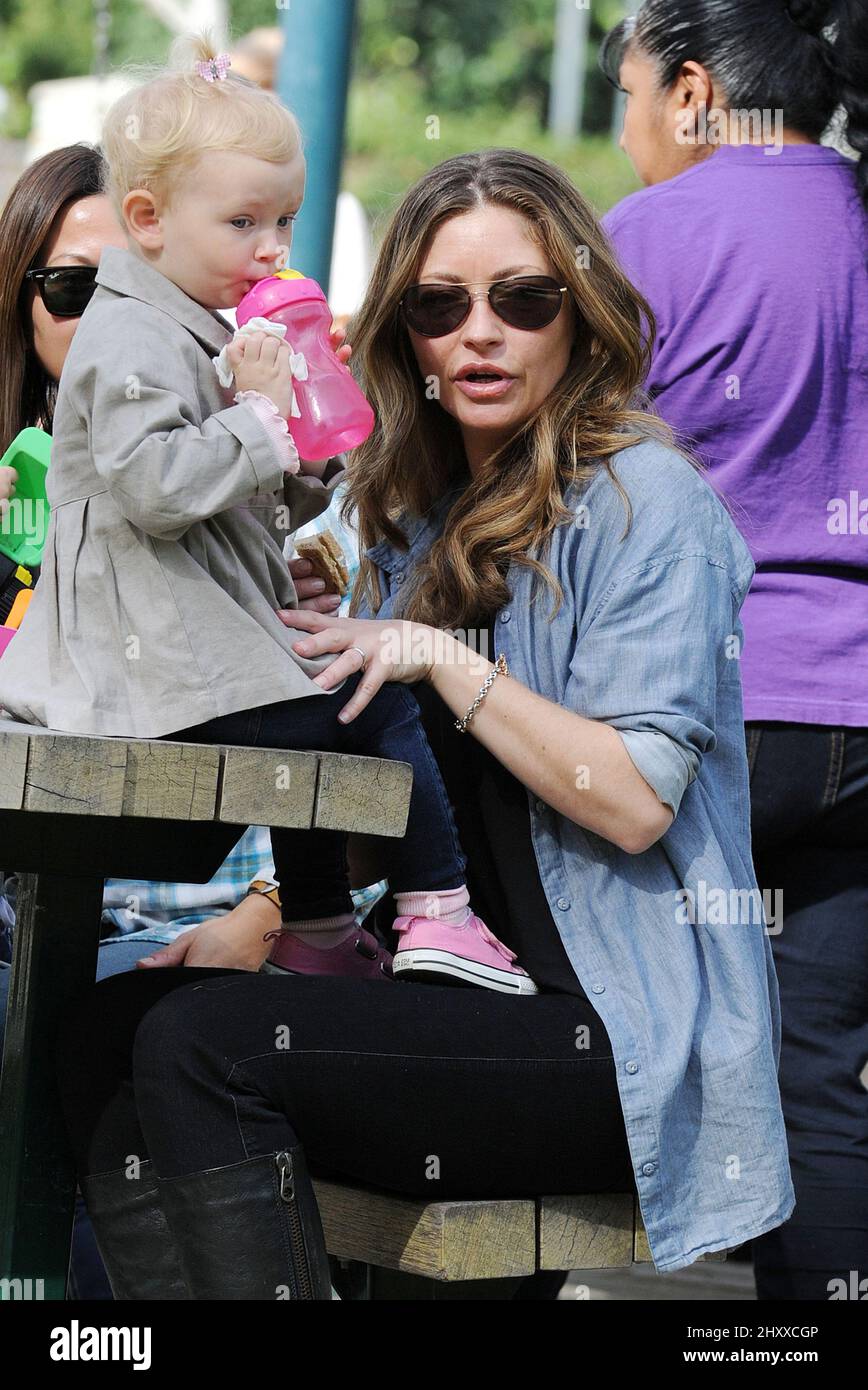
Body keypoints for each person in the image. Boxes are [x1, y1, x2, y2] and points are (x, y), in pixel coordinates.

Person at [52, 142, 794, 1299]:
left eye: (524, 299)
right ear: (403, 334)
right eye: (440, 306)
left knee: (201, 1051)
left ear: (581, 315)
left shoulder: (650, 504)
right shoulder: (412, 513)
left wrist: (439, 658)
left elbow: (640, 804)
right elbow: (393, 799)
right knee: (108, 1028)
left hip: (610, 1034)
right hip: (446, 995)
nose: (479, 333)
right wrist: (262, 913)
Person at [0, 36, 538, 995]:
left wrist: (305, 430)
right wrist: (256, 417)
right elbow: (152, 486)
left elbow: (239, 498)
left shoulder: (194, 324)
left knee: (328, 709)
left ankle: (321, 926)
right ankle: (438, 909)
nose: (272, 249)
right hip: (145, 671)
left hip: (187, 651)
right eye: (244, 221)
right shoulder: (127, 330)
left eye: (284, 220)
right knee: (374, 699)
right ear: (148, 220)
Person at [0, 140, 369, 1295]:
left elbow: (354, 764)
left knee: (130, 1054)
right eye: (75, 287)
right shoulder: (23, 484)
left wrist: (264, 922)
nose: (116, 312)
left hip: (205, 927)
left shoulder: (269, 500)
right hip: (27, 923)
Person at [599, 0, 868, 1300]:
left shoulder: (657, 232)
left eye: (631, 98)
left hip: (712, 714)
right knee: (816, 1065)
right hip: (858, 724)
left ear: (695, 91)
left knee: (554, 991)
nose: (633, 132)